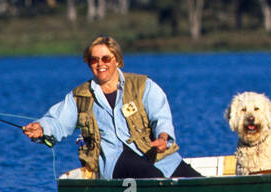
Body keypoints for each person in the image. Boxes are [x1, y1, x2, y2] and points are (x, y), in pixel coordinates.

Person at [22, 35, 201, 179]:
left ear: (117, 60)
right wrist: (41, 128)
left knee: (196, 181)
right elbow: (58, 122)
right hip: (113, 160)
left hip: (152, 153)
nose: (100, 64)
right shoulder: (79, 96)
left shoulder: (144, 86)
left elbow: (161, 118)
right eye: (94, 60)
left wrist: (163, 138)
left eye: (106, 58)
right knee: (153, 177)